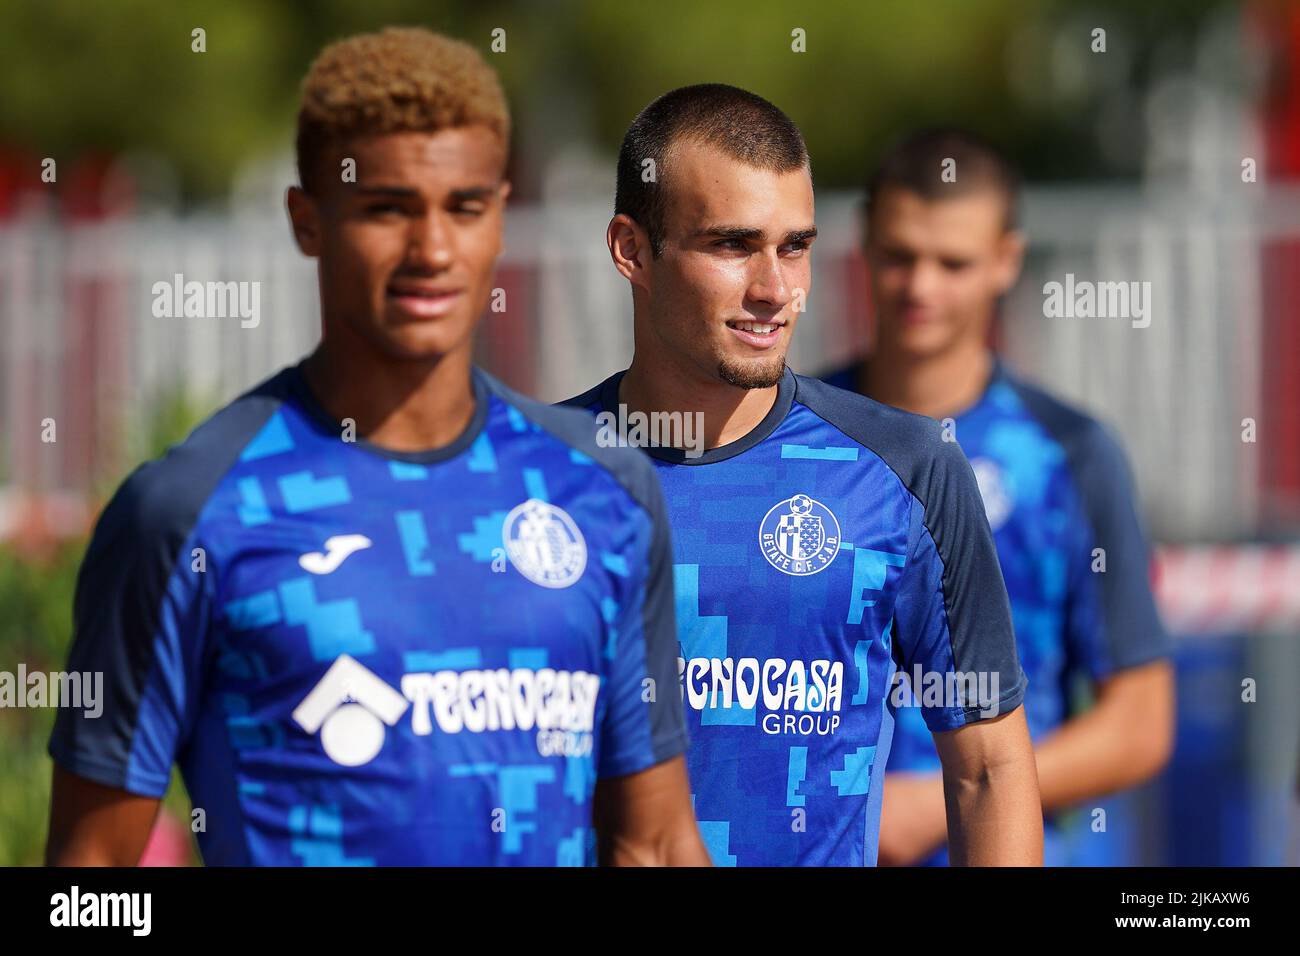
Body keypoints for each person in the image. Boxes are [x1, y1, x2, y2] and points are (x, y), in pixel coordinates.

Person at [46, 27, 707, 867]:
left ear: (500, 217)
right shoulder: (190, 512)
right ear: (307, 221)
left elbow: (652, 843)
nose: (431, 251)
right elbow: (90, 882)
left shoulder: (602, 488)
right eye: (387, 208)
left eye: (464, 207)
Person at [563, 85, 1042, 866]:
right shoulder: (539, 480)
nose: (774, 290)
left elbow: (988, 767)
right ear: (632, 249)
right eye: (731, 245)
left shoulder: (907, 471)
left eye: (794, 247)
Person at [823, 128, 1173, 866]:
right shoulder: (800, 438)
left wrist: (943, 798)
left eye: (953, 262)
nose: (921, 287)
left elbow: (1141, 719)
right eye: (899, 256)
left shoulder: (1070, 454)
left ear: (1006, 261)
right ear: (862, 246)